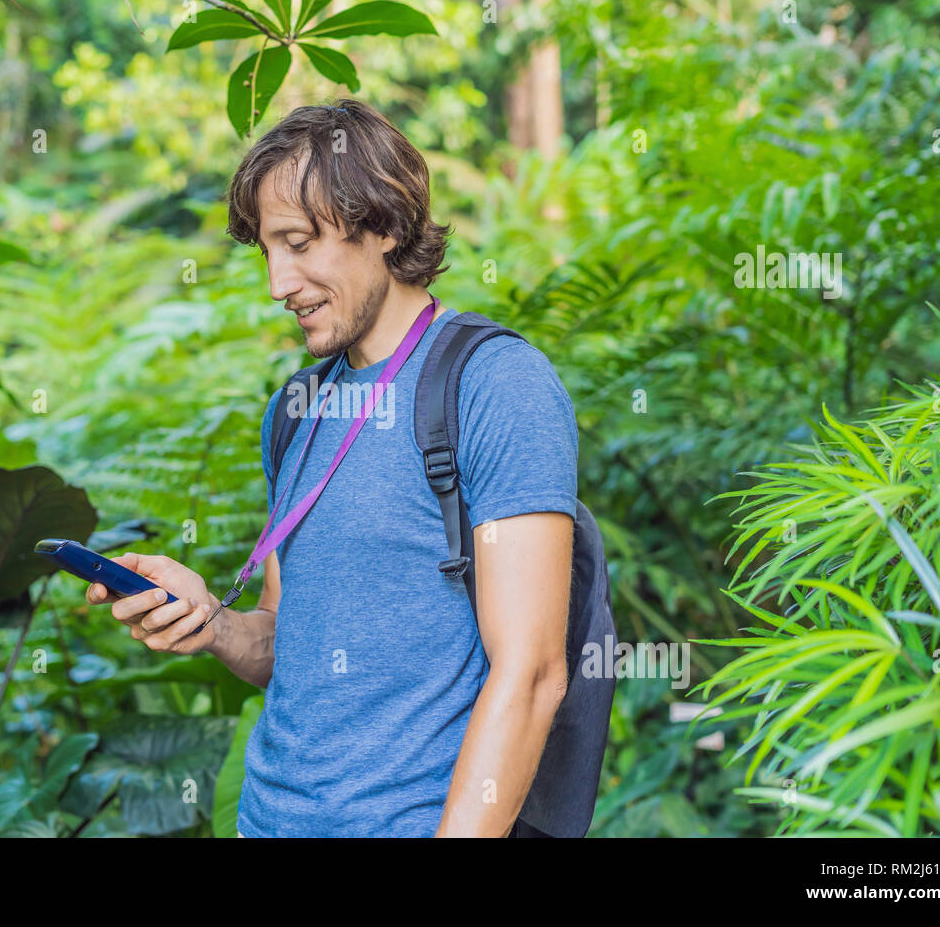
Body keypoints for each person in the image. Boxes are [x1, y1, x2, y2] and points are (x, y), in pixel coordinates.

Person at [86, 99, 579, 837]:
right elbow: (287, 643)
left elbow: (533, 673)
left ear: (382, 225)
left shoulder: (494, 384)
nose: (277, 283)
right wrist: (212, 624)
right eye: (267, 251)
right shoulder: (297, 409)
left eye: (300, 243)